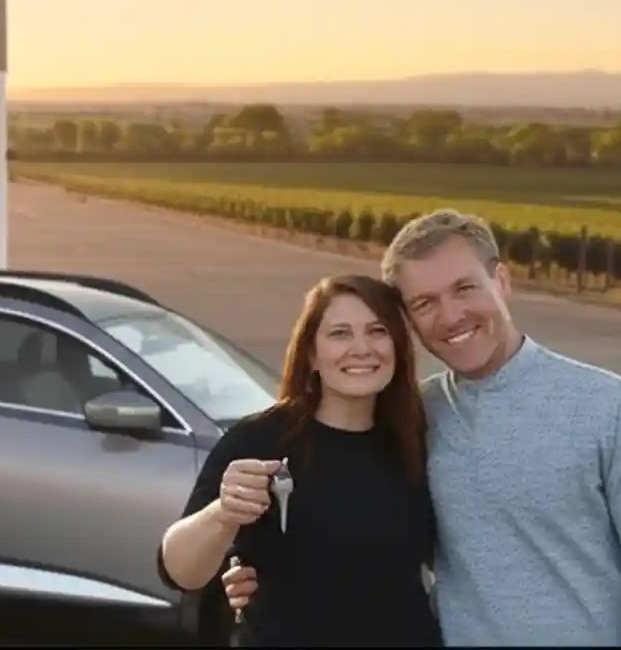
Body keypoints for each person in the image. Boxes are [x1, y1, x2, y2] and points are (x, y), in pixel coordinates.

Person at [221, 209, 621, 647]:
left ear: (502, 281)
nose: (450, 316)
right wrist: (260, 573)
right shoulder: (415, 416)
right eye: (425, 303)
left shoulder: (608, 406)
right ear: (408, 321)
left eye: (465, 289)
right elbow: (362, 533)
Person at [156, 274, 443, 647]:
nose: (361, 348)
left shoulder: (420, 439)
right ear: (311, 353)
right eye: (340, 333)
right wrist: (224, 513)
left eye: (378, 331)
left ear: (399, 346)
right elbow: (180, 572)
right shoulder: (260, 440)